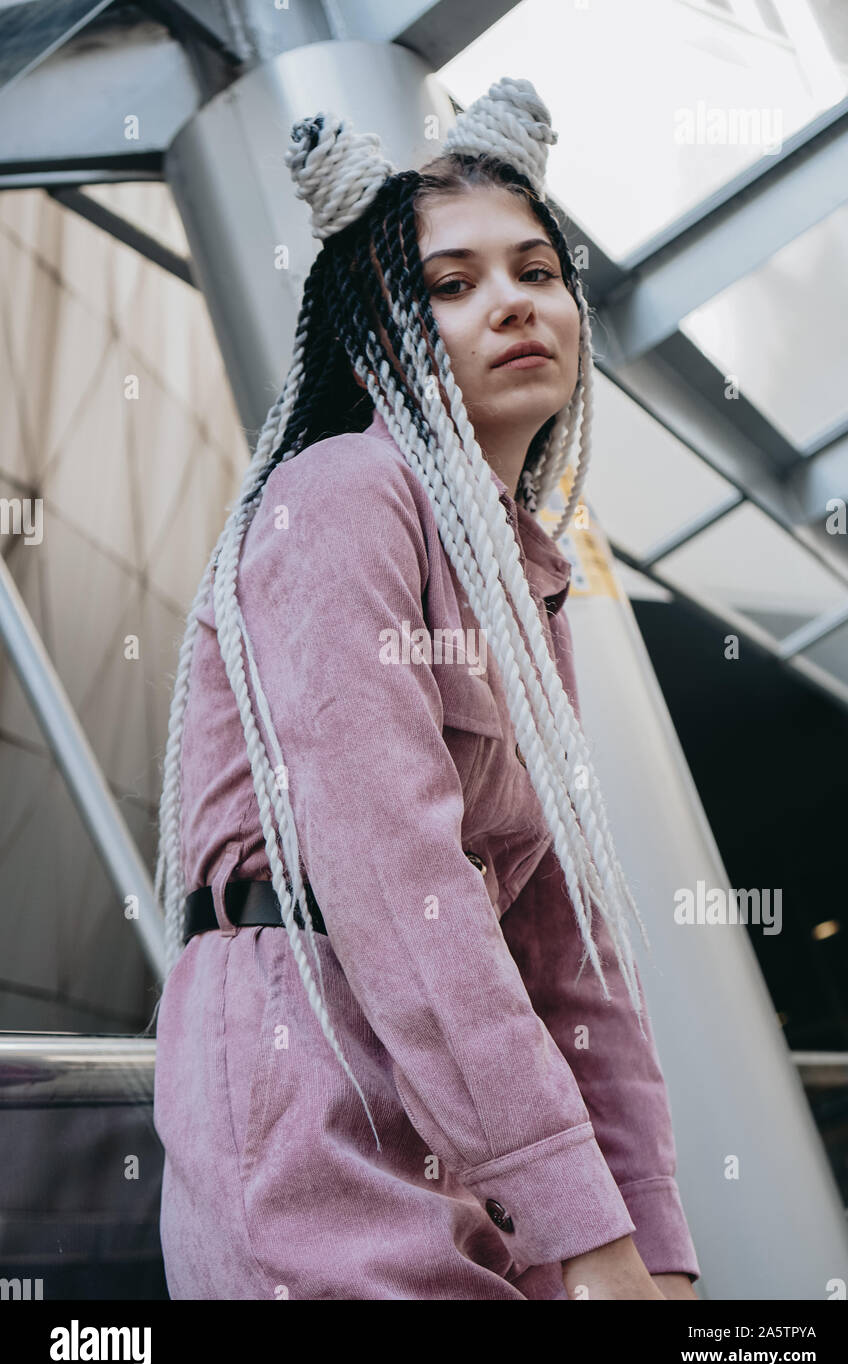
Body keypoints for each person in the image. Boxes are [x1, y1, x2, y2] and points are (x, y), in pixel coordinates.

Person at [151, 75, 701, 1301]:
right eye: (451, 285)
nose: (511, 303)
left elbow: (567, 950)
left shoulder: (520, 573)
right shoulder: (342, 492)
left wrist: (651, 1249)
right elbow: (394, 877)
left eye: (535, 271)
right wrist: (587, 1237)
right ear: (379, 329)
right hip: (315, 1104)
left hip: (462, 1122)